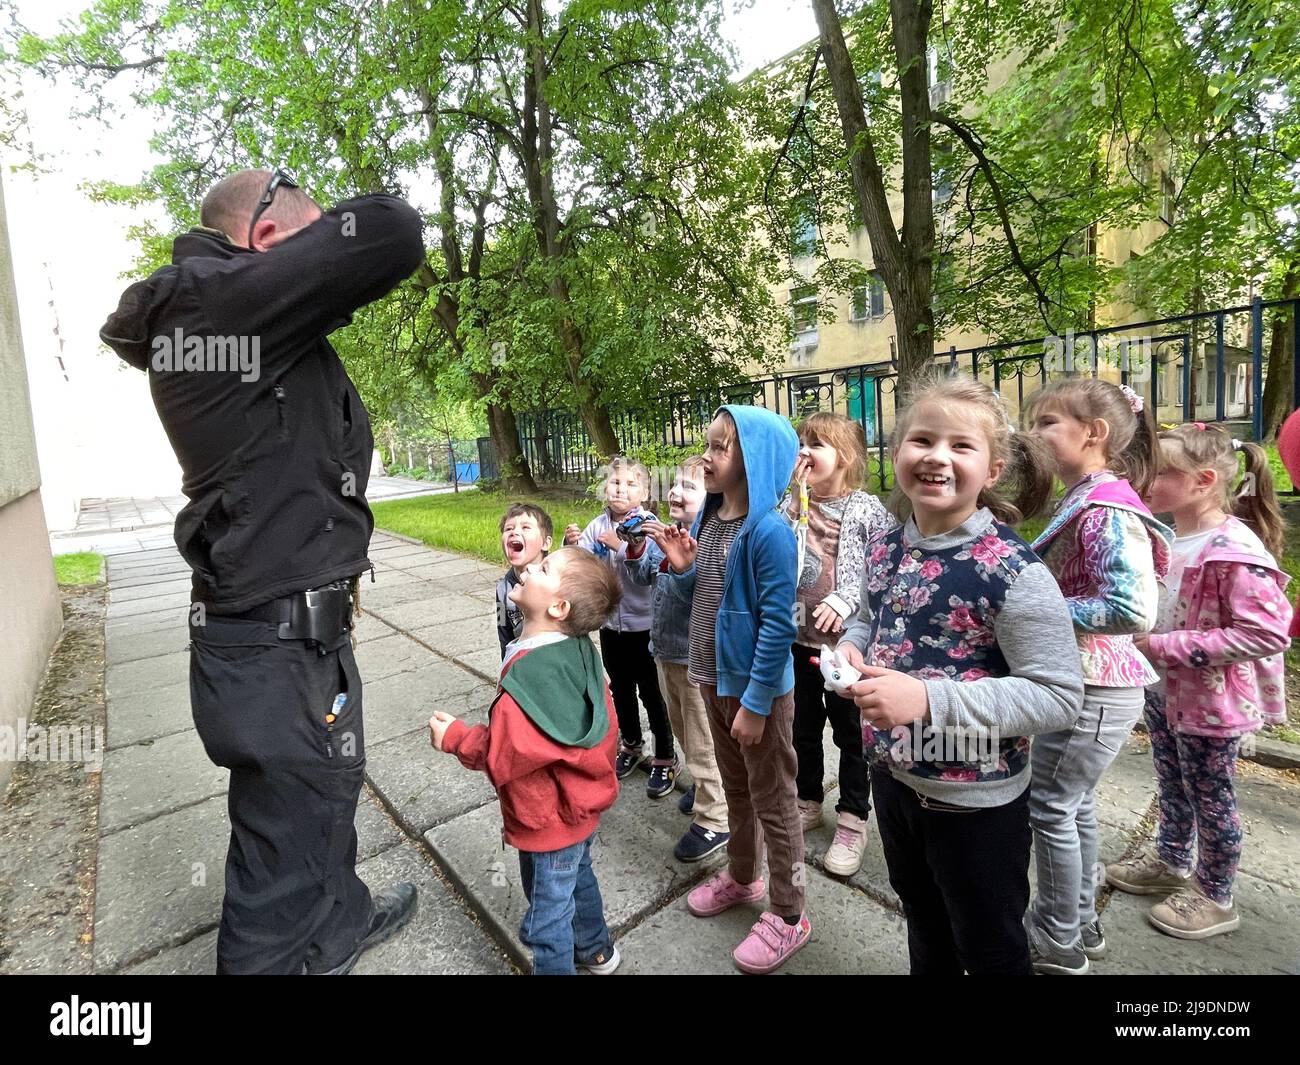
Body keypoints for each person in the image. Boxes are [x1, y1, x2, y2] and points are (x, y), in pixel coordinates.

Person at [99, 169, 425, 974]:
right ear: (272, 238)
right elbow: (392, 229)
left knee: (320, 793)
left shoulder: (243, 325)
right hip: (273, 643)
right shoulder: (214, 304)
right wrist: (328, 237)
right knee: (283, 839)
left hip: (290, 636)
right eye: (310, 238)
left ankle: (340, 918)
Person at [836, 371, 1083, 976]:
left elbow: (1058, 697)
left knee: (990, 945)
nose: (937, 457)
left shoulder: (1014, 573)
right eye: (922, 440)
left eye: (961, 446)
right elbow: (871, 618)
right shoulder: (886, 548)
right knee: (922, 919)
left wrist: (925, 698)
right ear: (896, 454)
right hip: (893, 779)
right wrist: (848, 646)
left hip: (974, 804)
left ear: (993, 470)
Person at [1109, 423, 1292, 940]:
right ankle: (1170, 858)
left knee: (1212, 798)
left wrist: (1163, 647)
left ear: (1202, 479)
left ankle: (1216, 893)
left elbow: (1266, 632)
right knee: (1173, 784)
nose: (1146, 480)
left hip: (1213, 706)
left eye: (1162, 472)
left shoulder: (1233, 548)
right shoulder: (1167, 537)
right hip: (1165, 694)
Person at [652, 406, 810, 974]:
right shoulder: (711, 516)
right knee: (737, 792)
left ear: (757, 461)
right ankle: (743, 877)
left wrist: (756, 703)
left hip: (755, 695)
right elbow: (711, 592)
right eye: (708, 442)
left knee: (774, 800)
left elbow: (777, 625)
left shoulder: (767, 531)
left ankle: (790, 914)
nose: (707, 454)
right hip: (715, 683)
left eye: (722, 447)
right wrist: (681, 567)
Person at [1021, 378, 1171, 974]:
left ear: (1094, 433)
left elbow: (1132, 609)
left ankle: (1057, 940)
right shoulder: (1088, 496)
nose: (1035, 435)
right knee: (1073, 806)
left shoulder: (1106, 505)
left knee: (1051, 806)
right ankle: (1077, 921)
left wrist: (1037, 608)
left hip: (1096, 685)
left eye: (1047, 423)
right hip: (1092, 685)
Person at [429, 547, 623, 975]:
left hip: (547, 814)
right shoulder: (576, 648)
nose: (532, 567)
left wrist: (457, 738)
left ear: (558, 606)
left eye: (545, 568)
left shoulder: (533, 674)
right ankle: (596, 948)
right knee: (579, 872)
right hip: (579, 804)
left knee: (547, 915)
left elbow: (506, 752)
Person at [781, 412, 895, 877]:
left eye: (816, 443)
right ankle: (808, 798)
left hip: (849, 651)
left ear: (844, 458)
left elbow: (887, 571)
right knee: (800, 730)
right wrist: (795, 496)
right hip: (799, 641)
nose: (804, 450)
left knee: (852, 737)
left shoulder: (865, 509)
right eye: (801, 441)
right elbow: (782, 556)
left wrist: (848, 598)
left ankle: (852, 817)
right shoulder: (792, 507)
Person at [625, 457, 730, 861]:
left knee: (704, 744)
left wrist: (686, 562)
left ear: (712, 500)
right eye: (674, 485)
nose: (675, 493)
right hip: (665, 654)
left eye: (688, 487)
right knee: (685, 734)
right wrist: (637, 548)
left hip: (696, 661)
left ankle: (716, 819)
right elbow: (642, 577)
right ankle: (707, 792)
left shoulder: (709, 542)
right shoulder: (667, 536)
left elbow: (709, 596)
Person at [565, 459, 675, 795]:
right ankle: (630, 742)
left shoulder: (651, 527)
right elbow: (579, 565)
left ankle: (666, 756)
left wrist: (624, 546)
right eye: (614, 483)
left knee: (653, 693)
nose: (620, 489)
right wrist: (572, 546)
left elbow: (657, 570)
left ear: (644, 492)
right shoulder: (596, 526)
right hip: (611, 626)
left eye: (630, 484)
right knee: (620, 689)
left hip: (646, 627)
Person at [496, 503, 554, 658]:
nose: (515, 532)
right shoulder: (502, 589)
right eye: (508, 529)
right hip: (524, 660)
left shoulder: (555, 580)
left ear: (545, 543)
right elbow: (504, 632)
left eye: (526, 527)